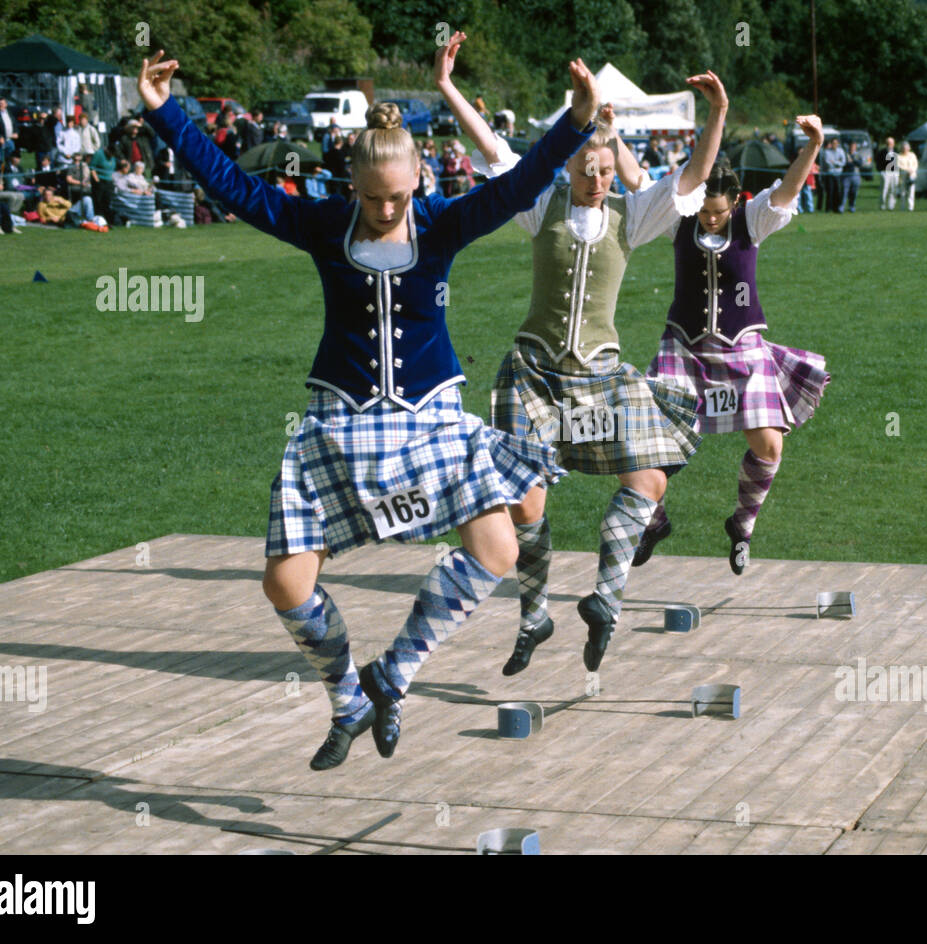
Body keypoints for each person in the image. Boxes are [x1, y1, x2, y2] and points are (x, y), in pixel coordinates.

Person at [138, 41, 596, 765]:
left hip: (433, 419)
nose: (387, 209)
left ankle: (395, 671)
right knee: (284, 584)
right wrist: (167, 112)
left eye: (399, 194)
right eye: (373, 196)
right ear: (350, 183)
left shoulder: (441, 224)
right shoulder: (323, 226)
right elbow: (230, 184)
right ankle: (348, 697)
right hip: (338, 425)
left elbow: (520, 185)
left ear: (420, 175)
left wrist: (575, 122)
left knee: (498, 548)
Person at [446, 31, 726, 676]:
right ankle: (534, 614)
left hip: (600, 374)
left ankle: (605, 598)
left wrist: (716, 115)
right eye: (585, 170)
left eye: (604, 171)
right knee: (525, 506)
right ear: (567, 167)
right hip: (533, 373)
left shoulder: (634, 214)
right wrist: (448, 86)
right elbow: (491, 150)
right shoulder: (539, 202)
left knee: (649, 478)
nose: (598, 180)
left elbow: (692, 177)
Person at [633, 117, 830, 578]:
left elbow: (787, 189)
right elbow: (635, 180)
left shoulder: (751, 220)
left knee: (769, 445)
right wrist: (610, 130)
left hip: (742, 348)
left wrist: (814, 144)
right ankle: (654, 523)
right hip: (682, 347)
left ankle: (741, 527)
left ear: (734, 201)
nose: (711, 218)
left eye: (718, 211)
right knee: (647, 444)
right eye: (705, 211)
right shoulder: (679, 220)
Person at [896, 140, 917, 211]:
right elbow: (899, 165)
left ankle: (910, 207)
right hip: (903, 176)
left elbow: (915, 164)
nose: (905, 150)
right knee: (903, 192)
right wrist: (907, 170)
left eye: (906, 148)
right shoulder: (898, 156)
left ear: (909, 148)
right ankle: (902, 207)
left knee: (911, 191)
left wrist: (912, 170)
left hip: (912, 175)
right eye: (904, 148)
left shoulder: (912, 155)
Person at [878, 136, 898, 210]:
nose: (890, 145)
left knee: (893, 190)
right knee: (884, 190)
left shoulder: (896, 151)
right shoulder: (882, 152)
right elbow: (878, 162)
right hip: (885, 173)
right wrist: (880, 171)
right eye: (888, 143)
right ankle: (882, 206)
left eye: (891, 143)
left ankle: (891, 206)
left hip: (894, 173)